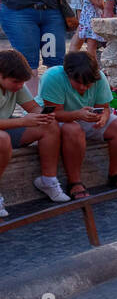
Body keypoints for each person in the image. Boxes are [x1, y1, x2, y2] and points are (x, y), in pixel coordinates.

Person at [37, 51, 117, 197]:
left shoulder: (99, 77)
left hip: (84, 117)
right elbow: (52, 113)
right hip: (54, 120)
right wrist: (77, 114)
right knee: (73, 129)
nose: (83, 88)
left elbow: (105, 107)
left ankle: (116, 173)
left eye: (88, 84)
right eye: (78, 83)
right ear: (67, 74)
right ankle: (75, 182)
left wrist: (103, 118)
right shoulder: (53, 77)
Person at [0, 49, 64, 215]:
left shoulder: (16, 84)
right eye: (16, 82)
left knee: (49, 125)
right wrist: (23, 121)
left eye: (22, 82)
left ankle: (48, 180)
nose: (20, 86)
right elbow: (22, 119)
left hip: (7, 130)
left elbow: (32, 107)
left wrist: (43, 114)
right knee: (2, 139)